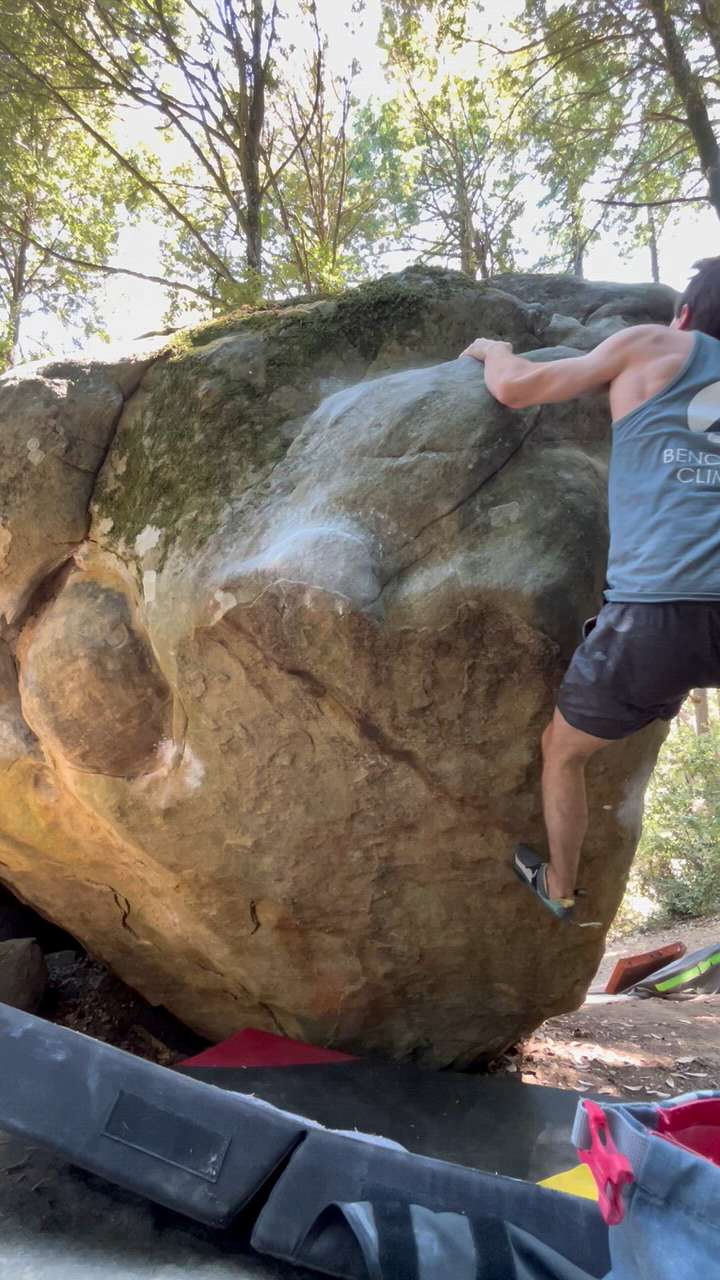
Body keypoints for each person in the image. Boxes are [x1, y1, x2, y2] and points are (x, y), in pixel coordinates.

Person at [461, 257, 720, 923]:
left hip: (657, 611)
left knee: (562, 752)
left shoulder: (653, 346)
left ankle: (560, 885)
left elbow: (516, 389)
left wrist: (494, 348)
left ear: (684, 315)